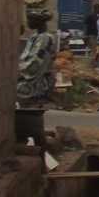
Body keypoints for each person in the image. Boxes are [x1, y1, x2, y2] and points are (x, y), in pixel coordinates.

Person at [16, 10, 58, 143]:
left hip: (35, 81)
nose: (28, 23)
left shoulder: (45, 38)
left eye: (30, 20)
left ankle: (34, 140)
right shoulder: (35, 36)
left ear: (38, 21)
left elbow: (36, 63)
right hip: (29, 78)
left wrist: (18, 71)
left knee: (25, 110)